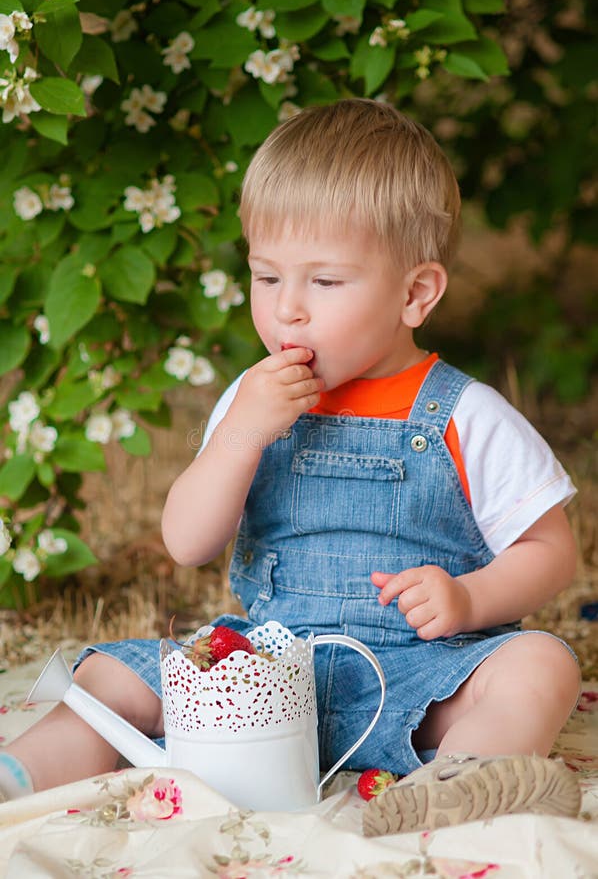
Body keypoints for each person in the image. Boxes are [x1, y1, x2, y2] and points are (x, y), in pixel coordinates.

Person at [1, 99, 582, 834]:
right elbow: (187, 542)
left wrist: (469, 600)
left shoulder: (466, 415)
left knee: (539, 665)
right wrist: (239, 436)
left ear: (415, 293)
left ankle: (459, 784)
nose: (288, 312)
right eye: (267, 277)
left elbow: (551, 550)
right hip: (266, 673)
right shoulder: (251, 402)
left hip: (421, 681)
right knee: (106, 676)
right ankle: (17, 775)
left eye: (324, 283)